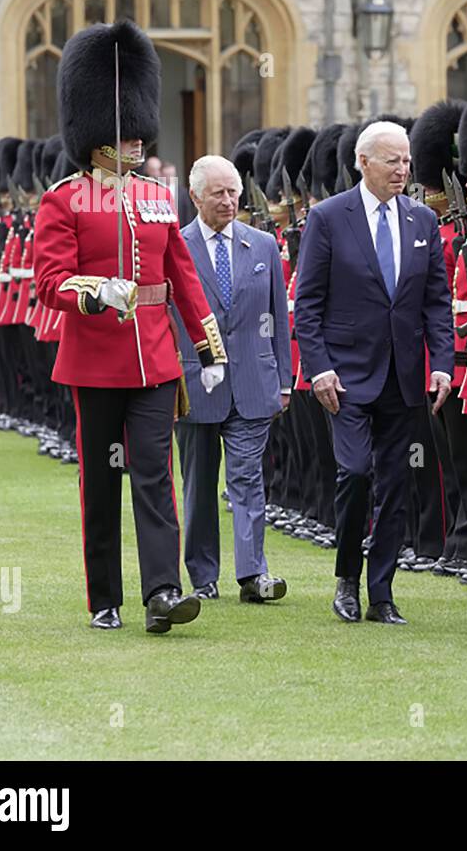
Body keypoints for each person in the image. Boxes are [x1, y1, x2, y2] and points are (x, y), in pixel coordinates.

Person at [33, 20, 228, 633]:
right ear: (96, 139)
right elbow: (49, 281)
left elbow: (183, 277)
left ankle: (162, 594)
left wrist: (208, 343)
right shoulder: (62, 200)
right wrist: (96, 294)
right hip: (94, 359)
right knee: (101, 480)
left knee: (154, 474)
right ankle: (104, 597)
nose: (139, 139)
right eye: (127, 131)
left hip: (154, 360)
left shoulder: (155, 197)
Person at [294, 120, 453, 625]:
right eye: (392, 161)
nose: (403, 170)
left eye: (406, 160)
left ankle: (381, 591)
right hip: (346, 376)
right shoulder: (327, 218)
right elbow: (308, 304)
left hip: (403, 377)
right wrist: (318, 369)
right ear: (363, 163)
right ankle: (347, 578)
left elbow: (436, 302)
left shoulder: (422, 220)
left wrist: (443, 365)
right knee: (356, 473)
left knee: (396, 483)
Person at [172, 154, 292, 604]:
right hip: (197, 383)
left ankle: (252, 574)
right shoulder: (177, 247)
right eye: (219, 194)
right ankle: (203, 575)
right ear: (196, 197)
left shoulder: (261, 244)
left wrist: (284, 378)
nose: (229, 201)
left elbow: (278, 315)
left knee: (247, 480)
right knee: (199, 485)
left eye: (234, 193)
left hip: (253, 380)